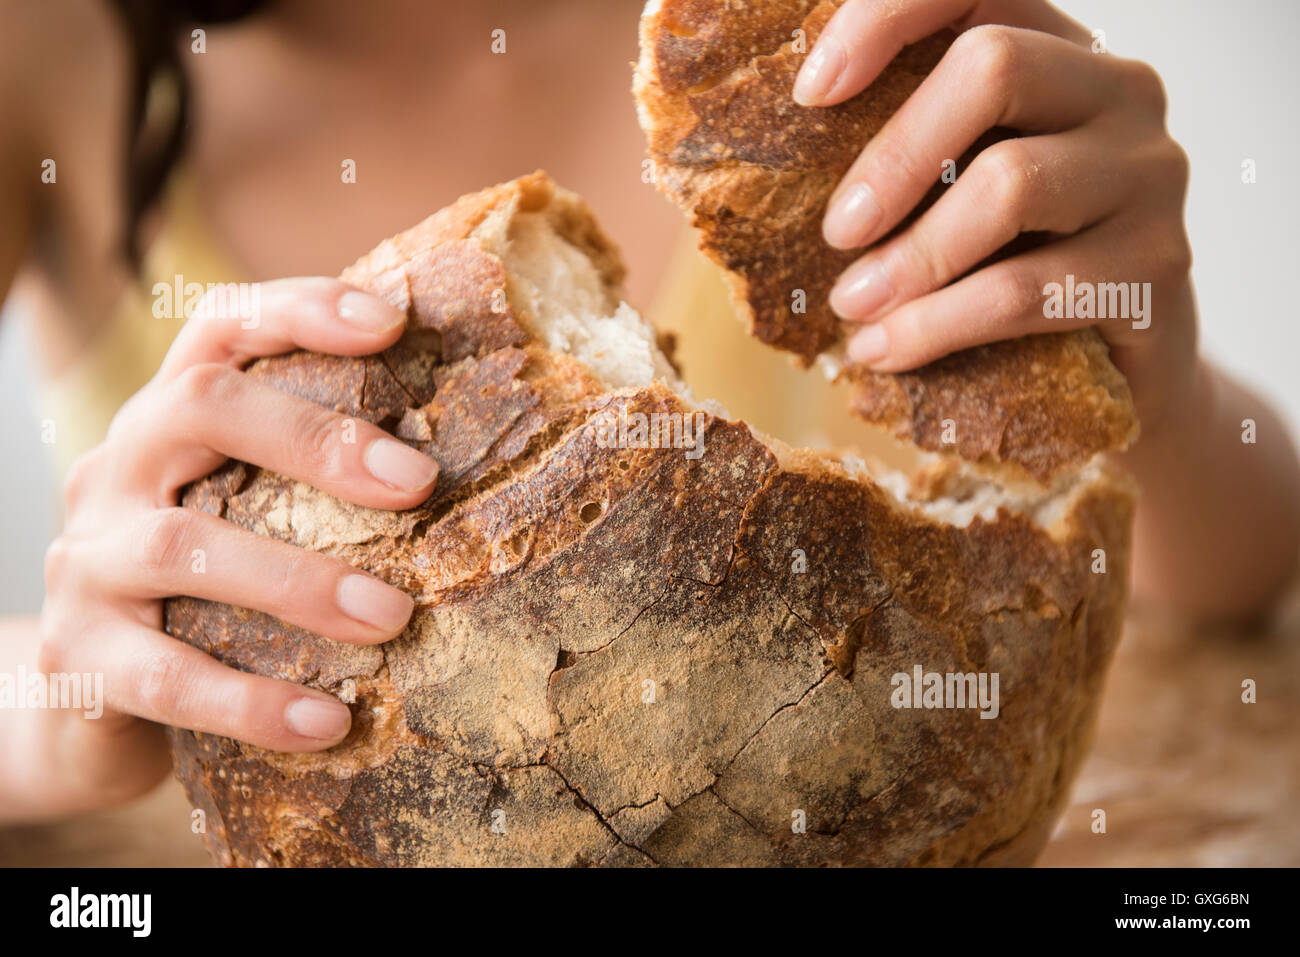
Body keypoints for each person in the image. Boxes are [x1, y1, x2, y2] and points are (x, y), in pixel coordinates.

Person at [0, 0, 1296, 825]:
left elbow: (1234, 583)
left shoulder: (826, 36)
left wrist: (1145, 374)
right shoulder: (52, 45)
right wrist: (56, 706)